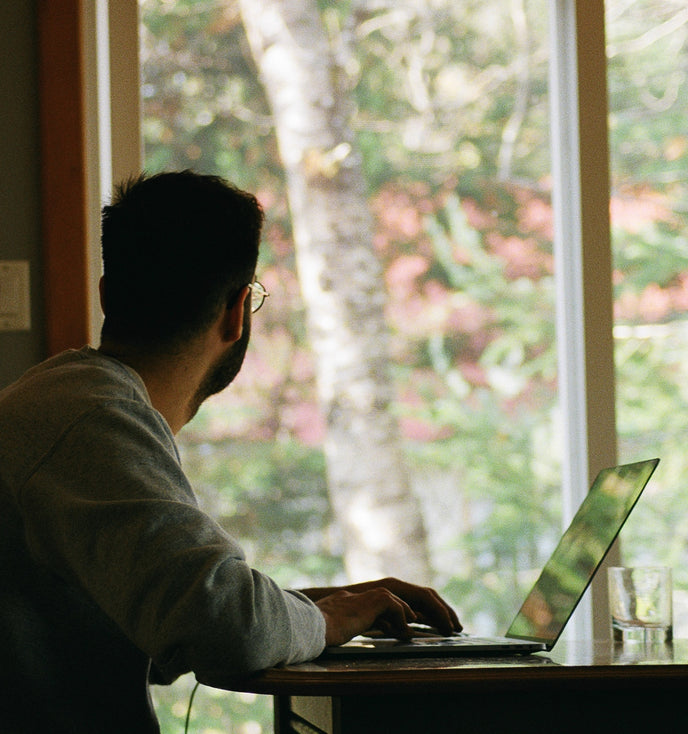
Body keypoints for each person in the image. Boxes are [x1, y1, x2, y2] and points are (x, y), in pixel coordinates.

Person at [0, 170, 461, 733]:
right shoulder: (89, 416)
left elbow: (160, 618)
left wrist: (311, 609)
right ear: (238, 310)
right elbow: (225, 628)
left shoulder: (66, 404)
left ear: (105, 293)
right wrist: (318, 619)